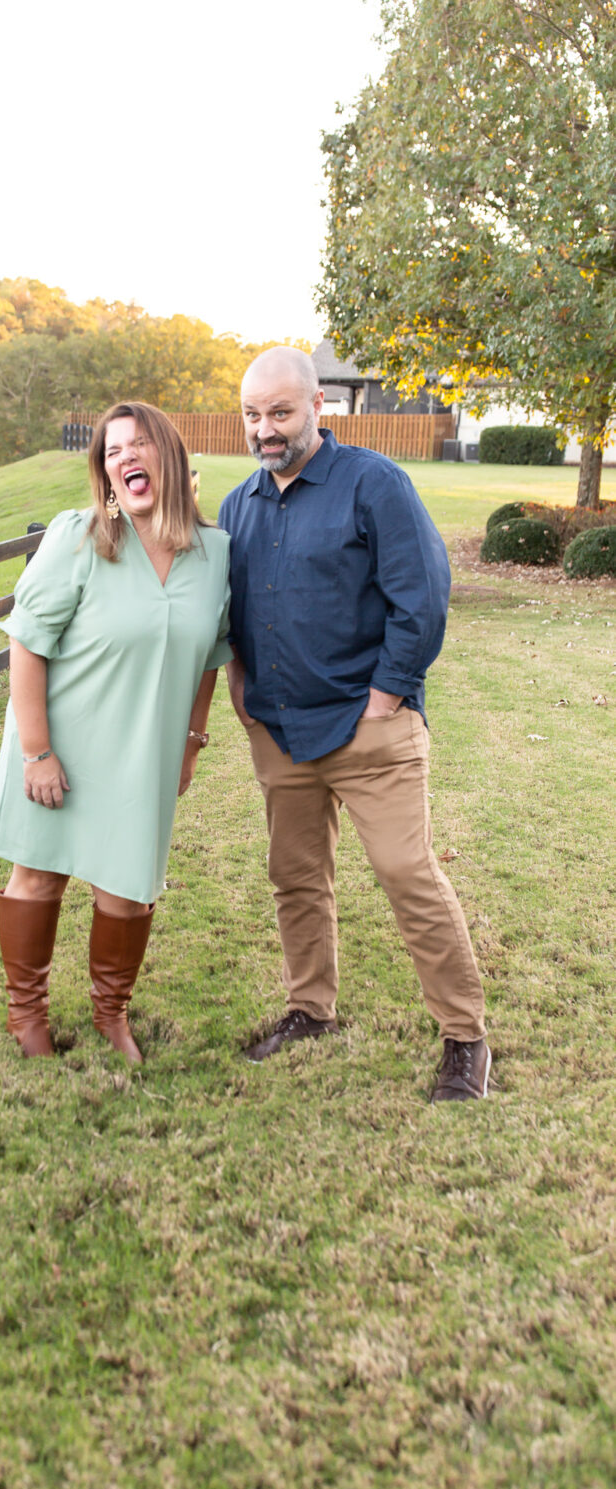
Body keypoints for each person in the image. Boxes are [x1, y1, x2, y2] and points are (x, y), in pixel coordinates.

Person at [220, 347, 490, 1103]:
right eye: (253, 415)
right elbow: (234, 614)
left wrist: (387, 696)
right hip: (280, 732)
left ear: (317, 407)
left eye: (280, 412)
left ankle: (465, 1038)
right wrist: (241, 687)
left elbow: (423, 598)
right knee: (296, 880)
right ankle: (310, 1010)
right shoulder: (239, 506)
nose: (265, 429)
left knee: (409, 875)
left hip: (370, 730)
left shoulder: (376, 485)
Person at [0, 401, 232, 1063]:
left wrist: (191, 743)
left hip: (143, 751)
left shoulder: (216, 555)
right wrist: (37, 753)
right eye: (111, 450)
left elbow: (212, 657)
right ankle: (25, 1013)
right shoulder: (81, 537)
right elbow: (26, 645)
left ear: (170, 457)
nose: (124, 457)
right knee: (38, 878)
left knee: (127, 889)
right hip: (60, 743)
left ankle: (110, 1013)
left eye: (138, 443)